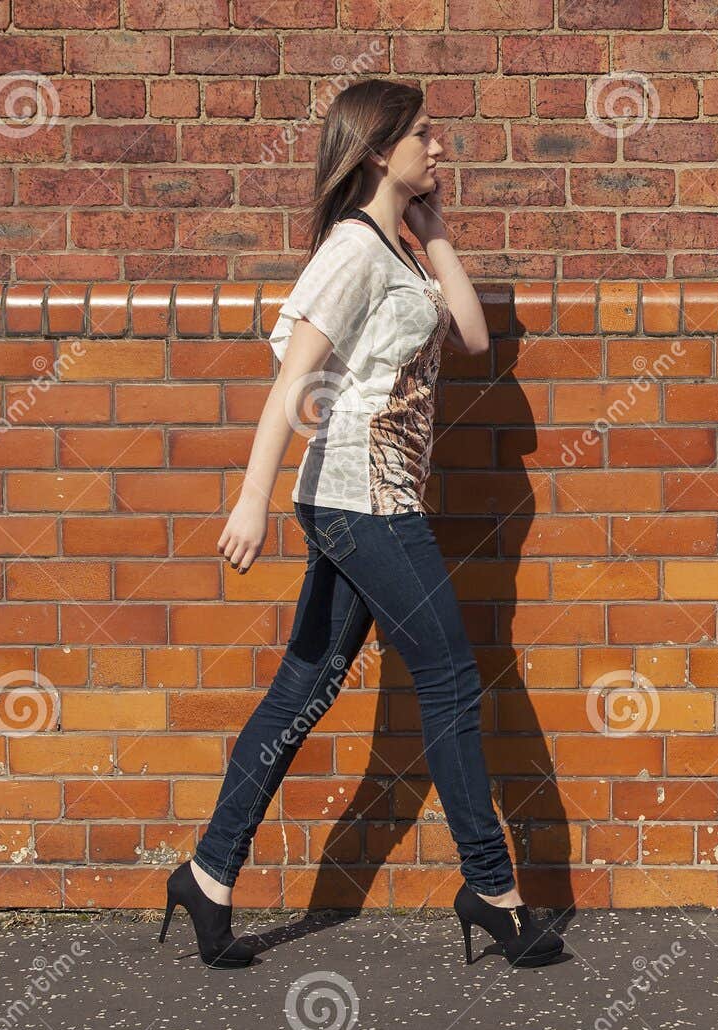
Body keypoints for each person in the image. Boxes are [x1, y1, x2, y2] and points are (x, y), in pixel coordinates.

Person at [156, 79, 563, 970]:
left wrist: (435, 226)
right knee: (452, 677)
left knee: (302, 690)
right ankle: (494, 890)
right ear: (380, 150)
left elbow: (472, 337)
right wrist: (251, 498)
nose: (440, 147)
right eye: (425, 136)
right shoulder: (351, 250)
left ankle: (208, 874)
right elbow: (294, 379)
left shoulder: (398, 247)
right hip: (360, 497)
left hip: (371, 497)